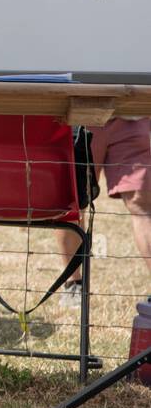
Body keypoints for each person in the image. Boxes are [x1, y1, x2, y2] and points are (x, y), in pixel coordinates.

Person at [55, 118, 151, 307]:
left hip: (131, 112)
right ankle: (73, 283)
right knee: (72, 203)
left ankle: (73, 285)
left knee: (142, 206)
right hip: (80, 115)